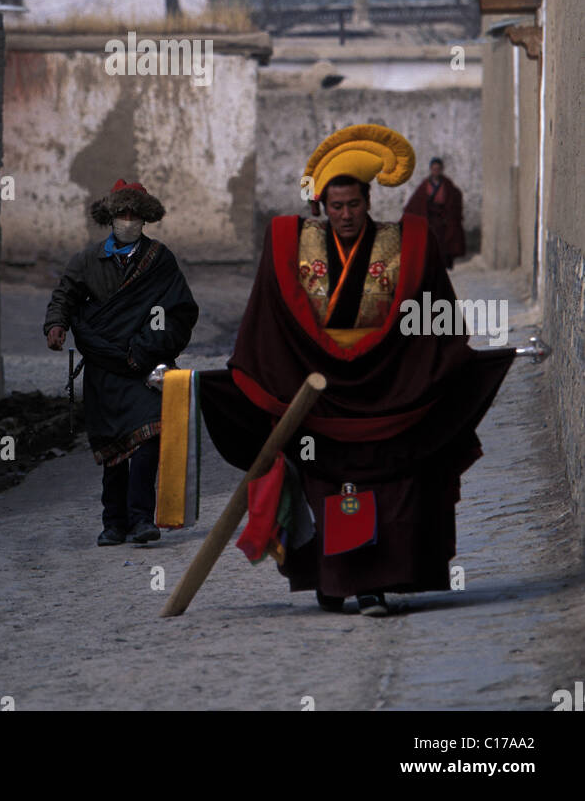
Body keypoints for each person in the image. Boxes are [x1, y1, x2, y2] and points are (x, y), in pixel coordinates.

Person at [196, 124, 514, 616]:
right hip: (319, 396)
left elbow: (434, 313)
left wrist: (447, 364)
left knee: (390, 493)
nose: (345, 216)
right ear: (321, 206)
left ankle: (372, 585)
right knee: (328, 493)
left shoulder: (405, 244)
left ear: (370, 201)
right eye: (336, 206)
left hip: (390, 391)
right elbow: (270, 316)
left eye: (354, 205)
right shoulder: (292, 244)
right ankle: (332, 580)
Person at [44, 178, 198, 547]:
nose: (128, 220)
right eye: (121, 214)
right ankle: (113, 522)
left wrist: (147, 347)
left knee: (148, 440)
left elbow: (179, 312)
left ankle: (142, 518)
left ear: (145, 218)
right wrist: (56, 325)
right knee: (112, 448)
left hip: (145, 366)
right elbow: (64, 297)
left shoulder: (159, 261)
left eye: (134, 214)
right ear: (110, 217)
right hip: (103, 367)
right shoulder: (87, 261)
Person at [403, 156, 466, 268]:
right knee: (429, 242)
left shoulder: (446, 183)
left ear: (441, 169)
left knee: (443, 242)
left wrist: (451, 213)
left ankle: (442, 263)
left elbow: (455, 196)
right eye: (434, 168)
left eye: (438, 168)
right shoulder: (425, 184)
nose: (436, 171)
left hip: (442, 219)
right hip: (430, 218)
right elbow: (417, 200)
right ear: (431, 169)